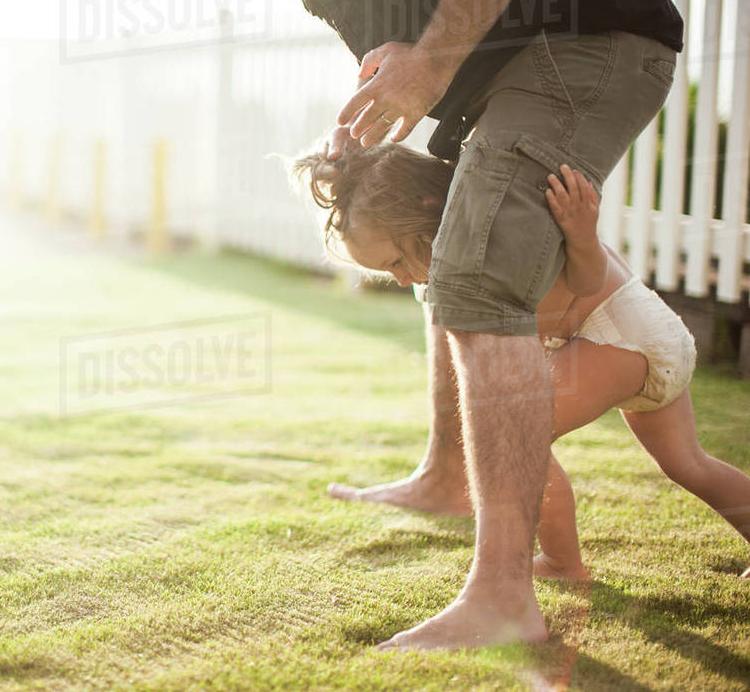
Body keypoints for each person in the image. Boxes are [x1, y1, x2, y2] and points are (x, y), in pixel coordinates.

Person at [132, 0, 683, 648]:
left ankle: (503, 599)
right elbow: (399, 5)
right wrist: (385, 81)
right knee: (438, 253)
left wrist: (430, 64)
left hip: (584, 35)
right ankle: (448, 477)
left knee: (475, 278)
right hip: (506, 69)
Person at [293, 141, 750, 582]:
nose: (398, 278)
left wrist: (581, 235)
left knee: (516, 432)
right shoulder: (458, 255)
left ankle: (562, 562)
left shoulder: (502, 231)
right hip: (645, 342)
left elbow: (588, 282)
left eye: (395, 261)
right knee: (688, 464)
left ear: (427, 208)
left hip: (626, 336)